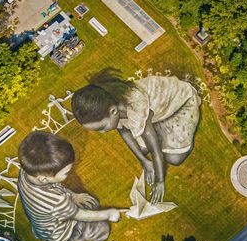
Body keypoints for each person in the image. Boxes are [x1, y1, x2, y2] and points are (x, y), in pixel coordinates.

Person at [72, 69, 201, 203]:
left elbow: (155, 150)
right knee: (142, 147)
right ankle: (158, 129)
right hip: (153, 115)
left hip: (179, 105)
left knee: (174, 158)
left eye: (102, 128)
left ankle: (175, 130)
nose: (103, 132)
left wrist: (160, 181)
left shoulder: (135, 109)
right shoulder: (113, 106)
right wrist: (144, 161)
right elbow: (123, 130)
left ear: (113, 111)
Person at [17, 131, 124, 241]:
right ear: (44, 178)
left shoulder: (27, 173)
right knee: (102, 230)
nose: (68, 174)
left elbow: (55, 187)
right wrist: (109, 214)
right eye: (66, 173)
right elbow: (79, 215)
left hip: (44, 224)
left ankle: (60, 240)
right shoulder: (56, 201)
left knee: (91, 203)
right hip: (60, 231)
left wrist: (74, 196)